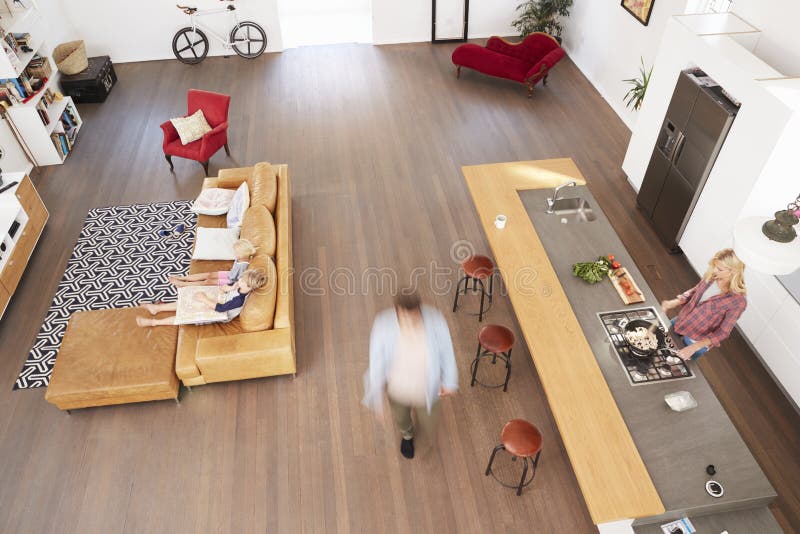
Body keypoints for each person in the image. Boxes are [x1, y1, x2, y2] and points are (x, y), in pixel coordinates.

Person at [362, 291, 458, 459]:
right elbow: (376, 361)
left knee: (429, 420)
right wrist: (377, 399)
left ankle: (426, 434)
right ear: (396, 310)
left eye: (414, 317)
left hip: (427, 388)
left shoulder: (436, 320)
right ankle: (407, 436)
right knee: (401, 418)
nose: (410, 321)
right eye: (405, 317)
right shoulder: (383, 324)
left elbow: (446, 352)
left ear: (420, 310)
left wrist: (450, 382)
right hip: (397, 389)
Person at [661, 248, 747, 361]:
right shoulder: (713, 275)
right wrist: (675, 302)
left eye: (720, 269)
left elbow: (723, 332)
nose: (715, 270)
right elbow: (695, 291)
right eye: (715, 266)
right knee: (657, 344)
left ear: (733, 271)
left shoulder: (738, 301)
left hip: (695, 340)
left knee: (673, 365)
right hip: (681, 321)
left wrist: (694, 347)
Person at [137, 268, 268, 327]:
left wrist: (204, 299)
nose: (239, 280)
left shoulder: (239, 300)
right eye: (241, 278)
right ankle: (157, 309)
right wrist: (228, 288)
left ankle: (155, 323)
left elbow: (221, 308)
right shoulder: (238, 285)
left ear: (250, 287)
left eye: (243, 280)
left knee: (188, 313)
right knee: (189, 300)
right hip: (220, 300)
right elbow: (224, 289)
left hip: (220, 313)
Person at [169, 238, 256, 288]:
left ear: (242, 254)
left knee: (207, 281)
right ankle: (183, 278)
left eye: (236, 253)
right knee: (209, 274)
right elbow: (233, 271)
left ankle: (184, 284)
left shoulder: (244, 266)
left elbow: (238, 280)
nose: (234, 254)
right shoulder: (242, 257)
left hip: (231, 281)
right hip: (230, 274)